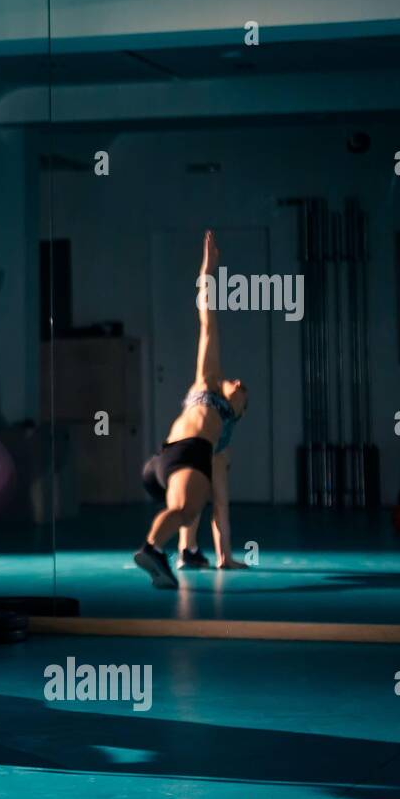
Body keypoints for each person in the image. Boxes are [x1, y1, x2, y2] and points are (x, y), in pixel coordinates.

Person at [135, 230, 250, 589]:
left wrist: (226, 557)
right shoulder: (209, 381)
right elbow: (207, 320)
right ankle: (153, 549)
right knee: (186, 509)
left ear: (239, 409)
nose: (238, 381)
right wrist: (209, 271)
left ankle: (187, 552)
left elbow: (222, 508)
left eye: (243, 389)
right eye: (237, 381)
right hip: (180, 453)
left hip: (168, 462)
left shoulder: (220, 442)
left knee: (193, 505)